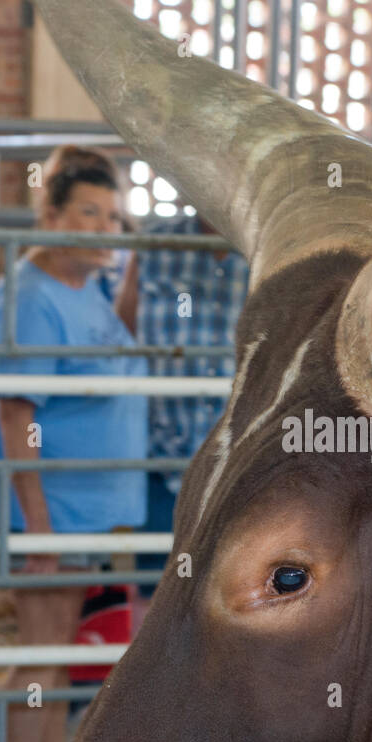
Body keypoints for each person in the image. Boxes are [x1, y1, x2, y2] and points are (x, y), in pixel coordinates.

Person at [0, 152, 147, 742]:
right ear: (51, 213)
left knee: (59, 654)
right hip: (48, 509)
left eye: (113, 217)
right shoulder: (30, 296)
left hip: (78, 506)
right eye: (88, 213)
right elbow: (17, 416)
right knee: (41, 655)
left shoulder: (86, 284)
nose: (103, 229)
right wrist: (38, 527)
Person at [133, 209, 249, 621]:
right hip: (162, 457)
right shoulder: (152, 243)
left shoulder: (271, 249)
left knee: (234, 599)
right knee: (157, 598)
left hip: (243, 468)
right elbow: (122, 326)